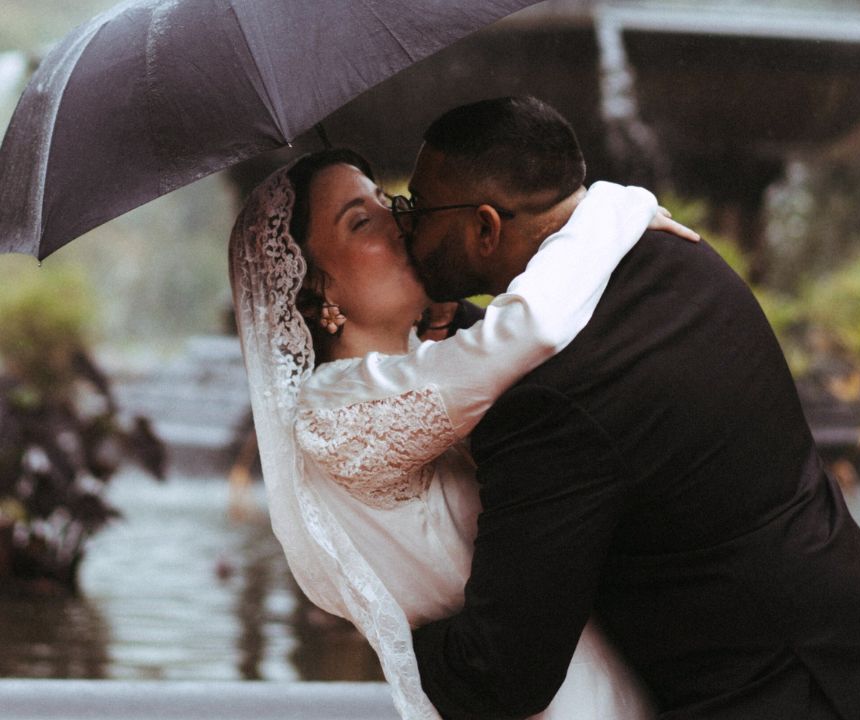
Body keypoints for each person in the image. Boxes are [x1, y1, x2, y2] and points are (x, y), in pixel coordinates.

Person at [404, 96, 860, 720]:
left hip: (780, 698)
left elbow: (504, 674)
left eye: (417, 211)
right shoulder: (670, 253)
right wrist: (467, 328)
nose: (404, 227)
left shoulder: (551, 402)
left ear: (485, 227)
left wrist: (391, 630)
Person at [229, 147, 697, 720]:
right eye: (360, 221)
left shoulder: (409, 371)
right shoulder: (337, 415)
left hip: (589, 678)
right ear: (317, 290)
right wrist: (612, 207)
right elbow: (533, 326)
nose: (399, 221)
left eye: (387, 201)